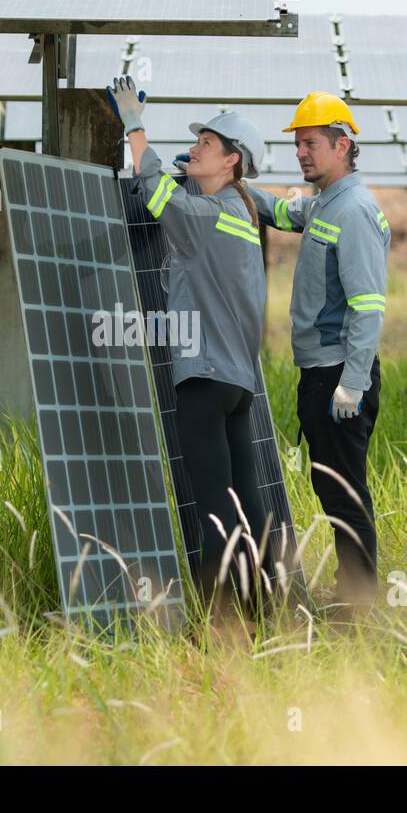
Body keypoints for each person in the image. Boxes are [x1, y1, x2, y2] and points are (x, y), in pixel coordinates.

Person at [105, 76, 270, 618]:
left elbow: (157, 197)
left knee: (213, 505)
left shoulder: (205, 216)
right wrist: (191, 179)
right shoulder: (241, 214)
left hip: (203, 377)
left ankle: (220, 619)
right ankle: (262, 611)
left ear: (231, 162)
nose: (195, 148)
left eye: (206, 145)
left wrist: (135, 127)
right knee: (247, 502)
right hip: (238, 382)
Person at [242, 92, 391, 617]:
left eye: (310, 143)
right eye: (298, 143)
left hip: (338, 379)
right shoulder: (327, 202)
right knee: (332, 489)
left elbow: (369, 307)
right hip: (319, 374)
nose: (301, 153)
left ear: (342, 144)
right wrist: (236, 187)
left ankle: (361, 606)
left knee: (346, 494)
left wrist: (353, 383)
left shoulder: (354, 210)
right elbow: (286, 211)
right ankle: (354, 596)